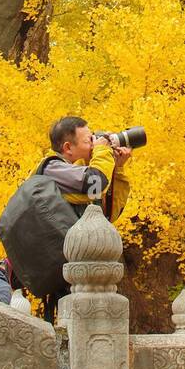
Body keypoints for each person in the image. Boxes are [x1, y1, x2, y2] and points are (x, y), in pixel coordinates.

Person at [37, 115, 132, 320]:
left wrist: (118, 168)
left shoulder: (73, 175)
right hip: (64, 266)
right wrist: (102, 151)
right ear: (68, 147)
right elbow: (95, 182)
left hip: (76, 268)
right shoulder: (54, 169)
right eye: (89, 140)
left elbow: (104, 216)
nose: (94, 143)